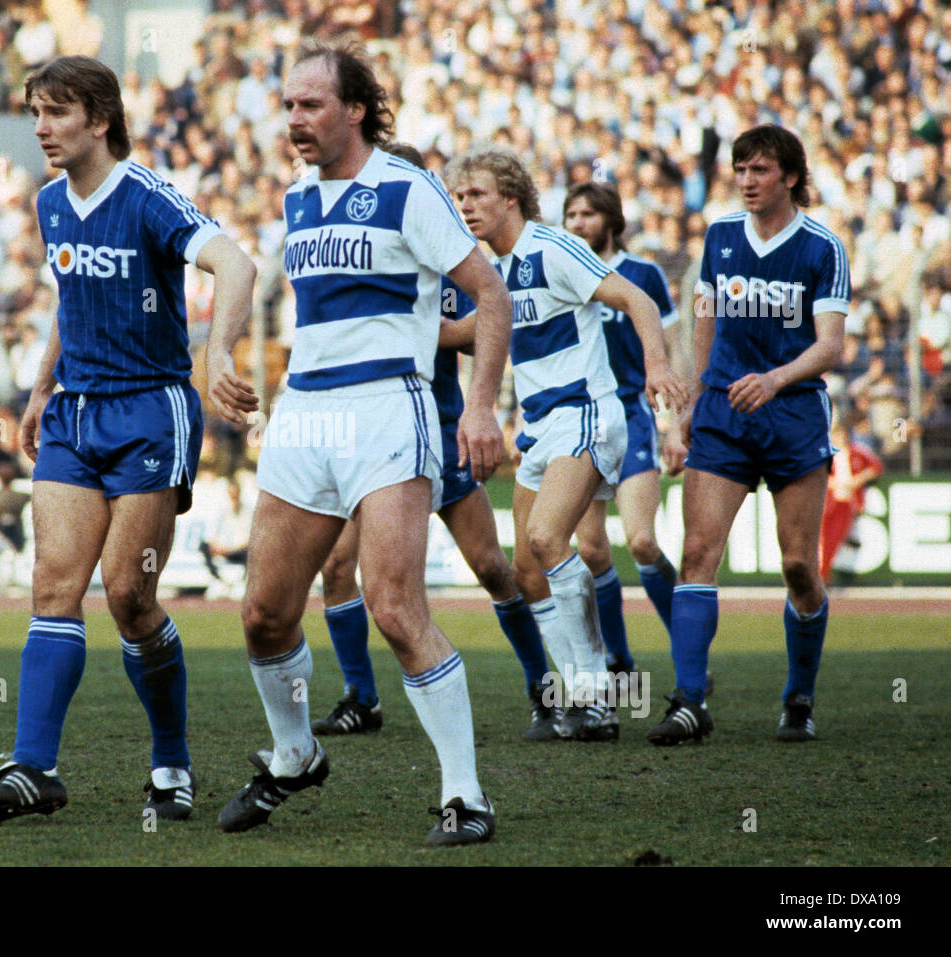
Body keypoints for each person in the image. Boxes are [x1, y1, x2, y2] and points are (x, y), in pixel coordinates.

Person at [216, 41, 513, 846]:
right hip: (305, 413)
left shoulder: (408, 188)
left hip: (390, 406)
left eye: (310, 105)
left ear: (355, 109)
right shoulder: (295, 199)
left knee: (394, 605)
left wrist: (480, 407)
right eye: (287, 105)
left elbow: (491, 294)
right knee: (263, 615)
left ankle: (466, 796)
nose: (294, 120)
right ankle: (294, 752)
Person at [0, 55, 258, 824]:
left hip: (148, 413)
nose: (40, 129)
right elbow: (71, 295)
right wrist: (38, 387)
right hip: (74, 412)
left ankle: (171, 761)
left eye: (55, 113)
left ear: (100, 119)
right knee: (54, 587)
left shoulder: (148, 196)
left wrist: (217, 353)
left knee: (131, 595)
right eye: (34, 113)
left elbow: (235, 261)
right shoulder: (50, 203)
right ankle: (35, 768)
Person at [309, 142, 552, 746]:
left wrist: (429, 333)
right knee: (338, 567)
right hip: (366, 434)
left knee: (491, 567)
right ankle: (360, 699)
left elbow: (492, 322)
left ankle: (543, 690)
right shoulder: (350, 252)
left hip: (441, 432)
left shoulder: (447, 254)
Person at [442, 147, 687, 741]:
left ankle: (595, 694)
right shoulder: (491, 273)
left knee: (548, 539)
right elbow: (462, 334)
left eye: (476, 194)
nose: (465, 204)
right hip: (539, 429)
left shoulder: (552, 247)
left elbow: (640, 300)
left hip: (587, 413)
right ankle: (581, 695)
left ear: (510, 196)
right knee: (528, 570)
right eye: (459, 196)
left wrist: (656, 366)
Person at [648, 124, 848, 745]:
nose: (746, 181)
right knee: (698, 553)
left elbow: (831, 346)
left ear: (790, 176)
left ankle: (799, 695)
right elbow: (705, 315)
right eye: (740, 170)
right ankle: (688, 701)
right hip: (724, 417)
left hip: (791, 417)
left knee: (796, 566)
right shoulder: (721, 236)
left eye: (759, 171)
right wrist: (694, 397)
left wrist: (775, 379)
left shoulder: (822, 246)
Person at [562, 182, 689, 685]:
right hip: (579, 421)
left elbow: (673, 349)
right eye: (570, 214)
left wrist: (674, 426)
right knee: (591, 551)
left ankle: (687, 645)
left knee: (639, 541)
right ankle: (618, 660)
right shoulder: (562, 273)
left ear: (610, 221)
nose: (576, 223)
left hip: (632, 415)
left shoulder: (642, 275)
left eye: (587, 214)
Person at [818, 413, 883, 584]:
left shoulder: (857, 452)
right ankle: (822, 575)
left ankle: (823, 575)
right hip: (829, 502)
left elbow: (876, 467)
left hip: (848, 502)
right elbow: (817, 474)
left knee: (836, 538)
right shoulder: (825, 453)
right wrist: (834, 483)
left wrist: (857, 481)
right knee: (824, 539)